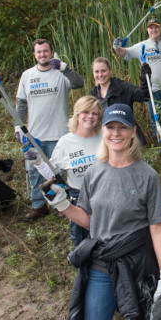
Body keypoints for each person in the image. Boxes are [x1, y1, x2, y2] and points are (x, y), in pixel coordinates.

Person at [41, 103, 161, 320]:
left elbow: (157, 227)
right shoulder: (95, 173)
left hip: (138, 267)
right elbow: (88, 219)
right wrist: (63, 206)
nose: (115, 133)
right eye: (110, 128)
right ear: (104, 132)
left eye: (122, 128)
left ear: (131, 133)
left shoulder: (147, 176)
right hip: (100, 265)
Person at [15, 38, 85, 221]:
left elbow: (79, 83)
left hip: (58, 133)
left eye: (45, 51)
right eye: (39, 52)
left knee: (56, 171)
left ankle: (60, 205)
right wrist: (18, 125)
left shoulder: (60, 74)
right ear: (34, 54)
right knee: (34, 171)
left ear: (51, 52)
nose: (42, 55)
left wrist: (65, 68)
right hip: (33, 134)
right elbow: (21, 103)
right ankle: (38, 206)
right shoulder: (27, 75)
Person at [42, 95, 103, 248]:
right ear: (77, 114)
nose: (90, 117)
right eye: (86, 112)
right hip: (79, 198)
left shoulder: (105, 138)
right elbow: (52, 174)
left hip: (105, 195)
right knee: (82, 243)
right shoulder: (65, 142)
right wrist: (37, 162)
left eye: (94, 113)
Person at [89, 56, 150, 146]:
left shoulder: (122, 87)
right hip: (106, 139)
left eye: (103, 71)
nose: (100, 75)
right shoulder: (92, 94)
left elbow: (144, 96)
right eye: (96, 72)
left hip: (128, 138)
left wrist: (144, 78)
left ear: (110, 71)